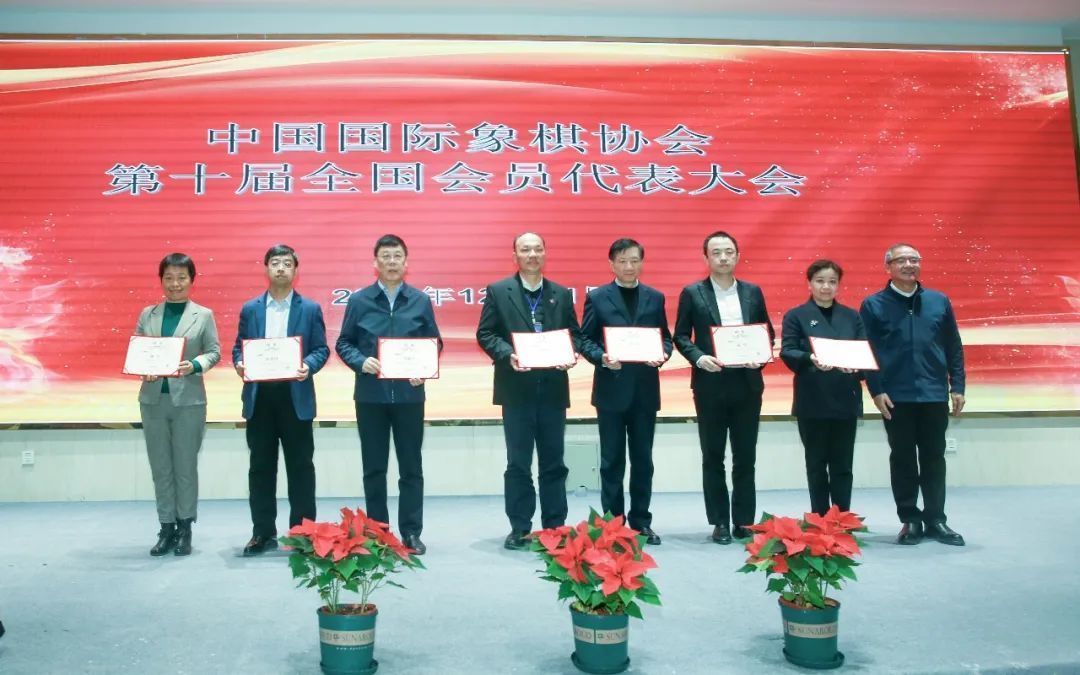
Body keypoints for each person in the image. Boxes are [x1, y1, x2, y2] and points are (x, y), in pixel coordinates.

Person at [476, 232, 585, 550]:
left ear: (545, 254)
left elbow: (575, 335)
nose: (532, 254)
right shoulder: (499, 291)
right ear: (515, 256)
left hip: (553, 389)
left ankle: (555, 527)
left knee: (554, 462)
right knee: (518, 464)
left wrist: (571, 353)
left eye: (538, 249)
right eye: (525, 249)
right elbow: (486, 333)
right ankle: (520, 527)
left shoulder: (561, 294)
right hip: (516, 390)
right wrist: (508, 354)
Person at [336, 235, 441, 555]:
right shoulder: (359, 300)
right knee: (374, 468)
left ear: (406, 263)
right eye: (386, 256)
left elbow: (434, 342)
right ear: (375, 263)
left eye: (397, 256)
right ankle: (378, 532)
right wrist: (360, 361)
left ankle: (411, 532)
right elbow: (344, 343)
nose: (392, 262)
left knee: (411, 468)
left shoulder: (420, 300)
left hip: (410, 397)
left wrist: (424, 368)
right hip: (371, 396)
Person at [860, 243, 966, 546]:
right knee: (903, 459)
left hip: (933, 393)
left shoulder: (938, 301)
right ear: (888, 267)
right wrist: (876, 390)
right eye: (901, 260)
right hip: (895, 396)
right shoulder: (873, 304)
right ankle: (910, 519)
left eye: (914, 259)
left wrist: (957, 385)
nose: (909, 265)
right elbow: (867, 351)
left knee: (934, 458)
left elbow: (953, 346)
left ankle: (936, 519)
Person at [673, 231, 774, 544]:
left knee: (745, 456)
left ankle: (744, 521)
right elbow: (681, 336)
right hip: (710, 383)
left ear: (738, 255)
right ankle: (719, 521)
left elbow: (767, 333)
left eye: (729, 252)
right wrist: (699, 357)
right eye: (716, 252)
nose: (723, 258)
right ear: (706, 258)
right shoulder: (693, 293)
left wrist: (760, 356)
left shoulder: (752, 292)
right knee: (713, 455)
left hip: (747, 383)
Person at [232, 244, 329, 556]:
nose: (281, 268)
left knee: (301, 468)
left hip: (295, 396)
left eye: (287, 263)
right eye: (275, 263)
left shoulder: (310, 309)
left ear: (295, 270)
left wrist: (308, 366)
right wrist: (240, 363)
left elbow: (321, 349)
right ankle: (262, 533)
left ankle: (303, 534)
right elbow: (238, 347)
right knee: (260, 468)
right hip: (260, 398)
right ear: (266, 269)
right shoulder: (250, 309)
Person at [579, 238, 672, 545]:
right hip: (611, 391)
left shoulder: (655, 297)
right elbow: (585, 339)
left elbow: (665, 339)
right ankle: (612, 525)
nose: (629, 266)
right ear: (612, 264)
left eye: (634, 260)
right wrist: (602, 357)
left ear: (642, 262)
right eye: (622, 261)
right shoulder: (598, 297)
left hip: (645, 392)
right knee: (612, 462)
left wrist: (663, 354)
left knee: (643, 461)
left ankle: (641, 521)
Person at [135, 253, 221, 556]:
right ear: (161, 280)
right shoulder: (148, 314)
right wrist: (142, 367)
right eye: (169, 278)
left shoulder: (204, 315)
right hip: (152, 400)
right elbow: (139, 350)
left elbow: (214, 351)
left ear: (191, 280)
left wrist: (195, 365)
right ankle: (166, 527)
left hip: (189, 402)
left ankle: (185, 527)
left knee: (185, 467)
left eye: (181, 278)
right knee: (160, 467)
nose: (175, 284)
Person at [780, 259, 865, 516]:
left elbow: (864, 351)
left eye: (832, 282)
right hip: (812, 400)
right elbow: (788, 350)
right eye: (820, 281)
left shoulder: (852, 316)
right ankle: (819, 517)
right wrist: (810, 358)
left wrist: (856, 367)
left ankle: (841, 518)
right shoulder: (796, 315)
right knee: (816, 464)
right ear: (809, 283)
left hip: (845, 399)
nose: (826, 287)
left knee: (843, 465)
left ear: (838, 285)